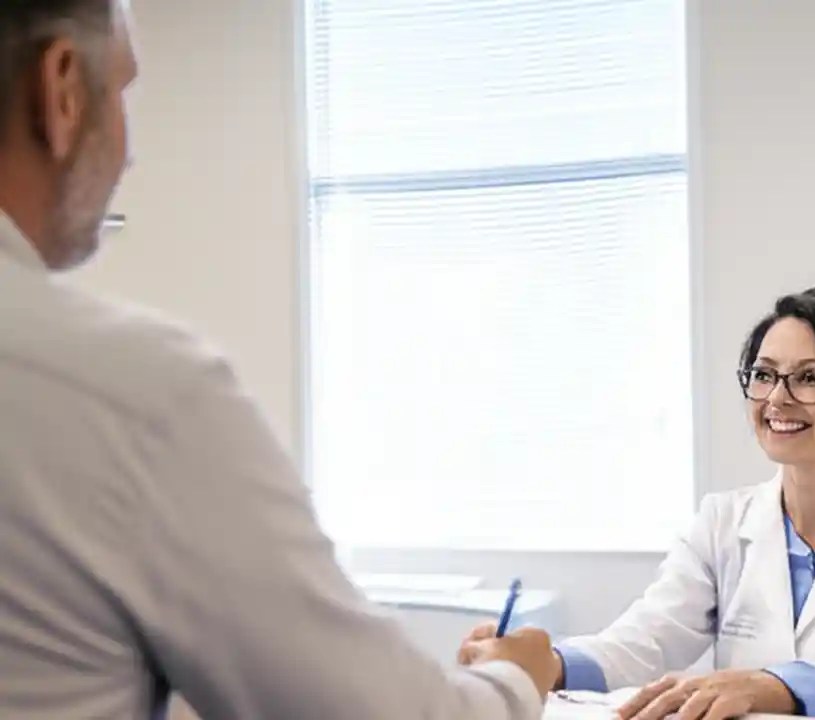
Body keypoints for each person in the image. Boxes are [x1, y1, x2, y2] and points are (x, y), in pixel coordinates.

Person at [0, 2, 557, 718]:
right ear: (63, 90)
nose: (132, 151)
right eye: (123, 91)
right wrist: (515, 681)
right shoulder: (136, 393)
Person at [486, 287, 815, 719]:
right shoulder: (721, 522)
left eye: (809, 378)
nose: (776, 399)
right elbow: (647, 639)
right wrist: (545, 665)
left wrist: (768, 685)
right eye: (764, 375)